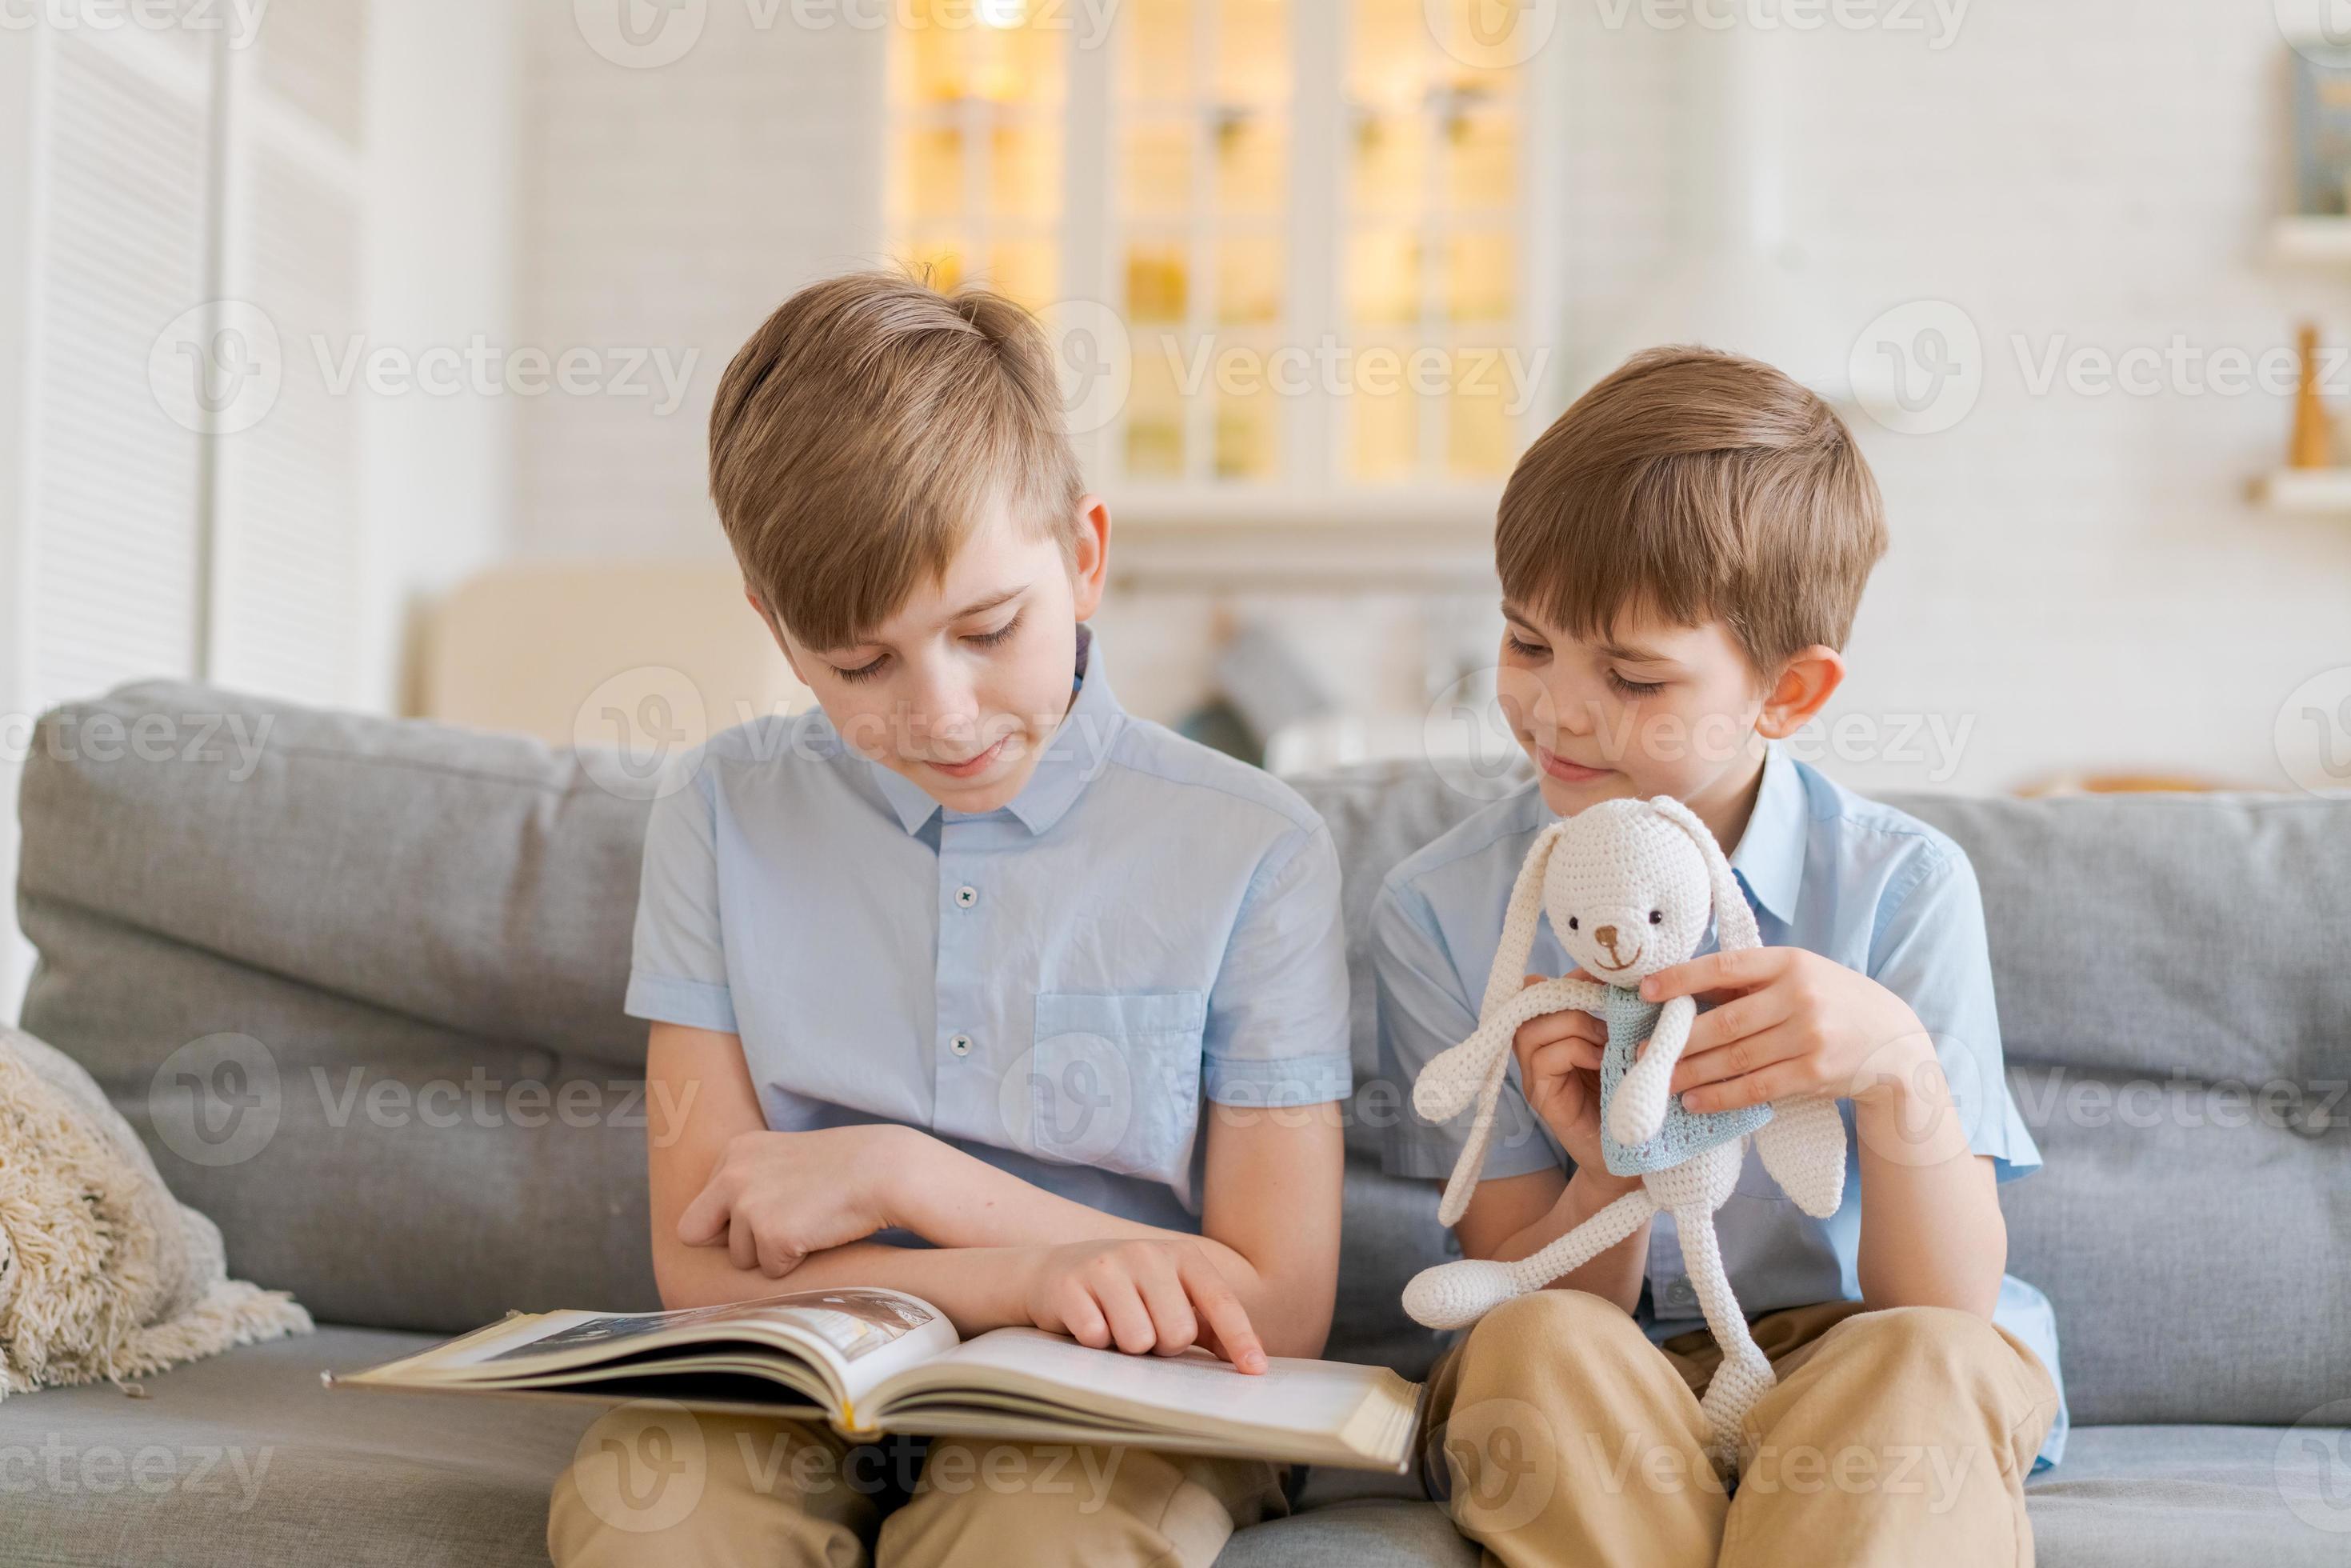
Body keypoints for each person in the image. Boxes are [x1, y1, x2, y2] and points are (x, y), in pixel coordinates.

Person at [549, 272, 1352, 1568]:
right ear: (778, 630)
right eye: (861, 664)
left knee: (1037, 1534)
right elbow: (697, 1272)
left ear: (1084, 558)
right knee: (655, 1509)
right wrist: (1024, 1272)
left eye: (988, 630)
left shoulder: (1255, 849)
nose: (941, 715)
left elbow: (1278, 1303)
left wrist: (904, 1177)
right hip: (800, 1373)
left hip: (1118, 1400)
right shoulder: (718, 809)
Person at [1377, 346, 2066, 1567]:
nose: (1561, 712)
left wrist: (1896, 1068)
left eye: (1634, 677)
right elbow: (1546, 1299)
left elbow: (1942, 1303)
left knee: (1924, 1364)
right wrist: (1605, 1176)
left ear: (1788, 693)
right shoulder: (1448, 907)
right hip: (1611, 1357)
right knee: (1525, 1352)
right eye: (1528, 646)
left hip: (1856, 1346)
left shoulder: (1901, 885)